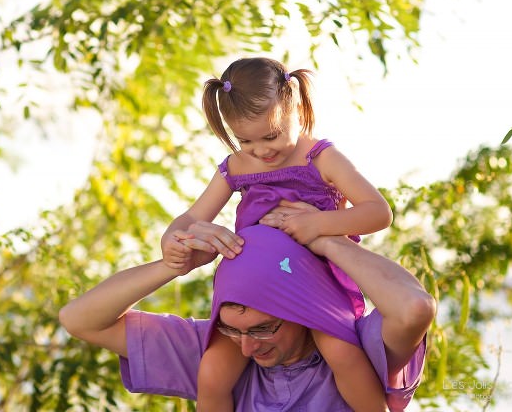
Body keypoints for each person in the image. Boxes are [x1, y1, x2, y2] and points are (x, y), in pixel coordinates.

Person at [160, 57, 393, 411]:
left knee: (344, 356)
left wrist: (317, 225)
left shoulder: (320, 158)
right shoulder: (237, 167)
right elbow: (191, 216)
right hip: (252, 289)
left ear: (294, 106)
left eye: (271, 136)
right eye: (245, 141)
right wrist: (175, 239)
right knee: (212, 373)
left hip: (314, 283)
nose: (261, 150)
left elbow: (378, 212)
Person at [59, 221, 435, 411]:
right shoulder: (218, 350)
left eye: (263, 328)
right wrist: (173, 266)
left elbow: (414, 308)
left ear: (302, 310)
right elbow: (80, 320)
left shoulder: (358, 344)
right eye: (233, 329)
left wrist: (327, 241)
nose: (249, 345)